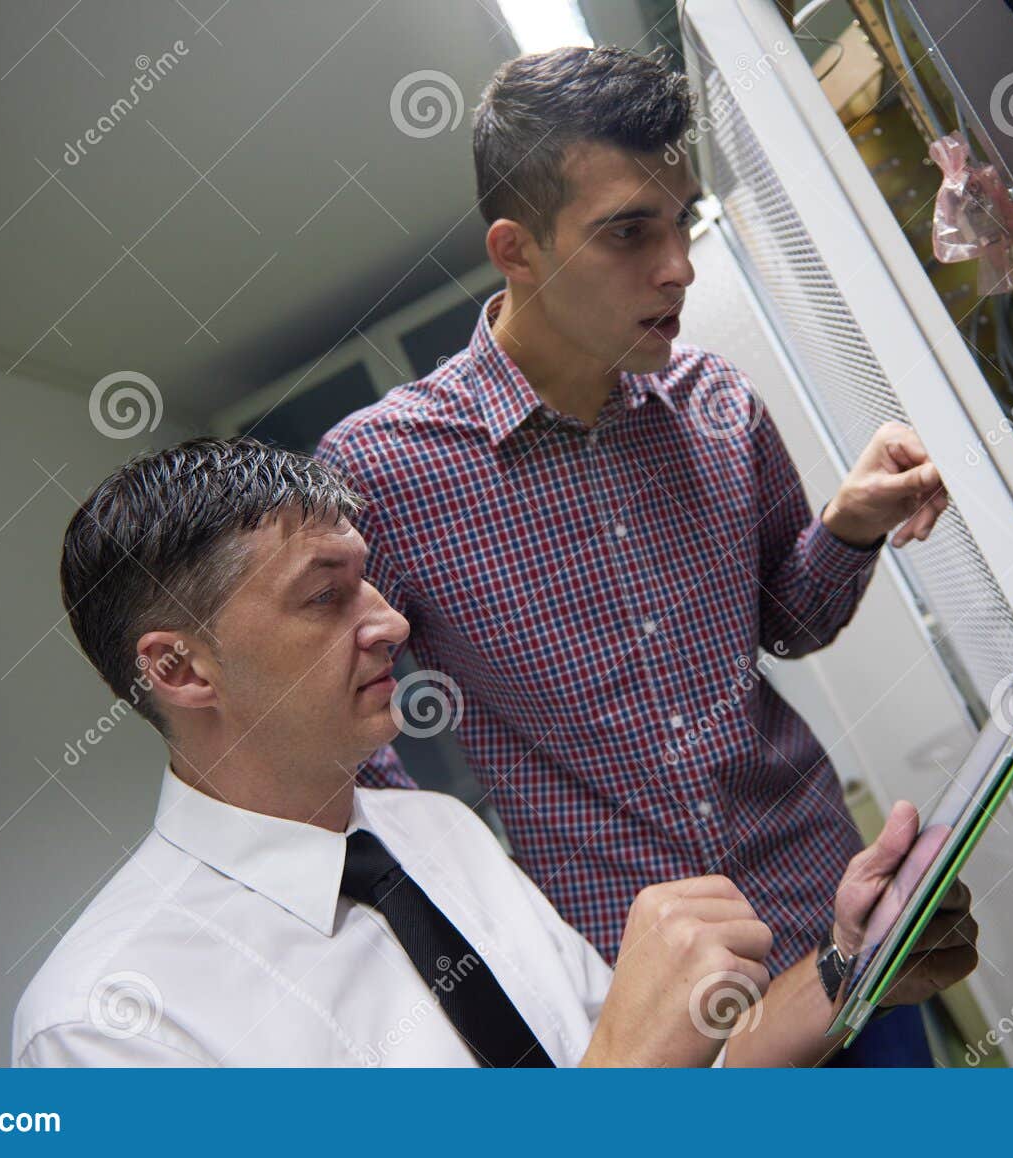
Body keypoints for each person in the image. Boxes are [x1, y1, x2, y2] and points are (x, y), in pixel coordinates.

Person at [316, 46, 950, 1064]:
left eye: (682, 221)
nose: (678, 266)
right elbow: (352, 738)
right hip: (643, 994)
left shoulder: (717, 403)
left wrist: (849, 527)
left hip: (835, 922)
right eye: (628, 232)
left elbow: (790, 623)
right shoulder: (380, 468)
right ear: (516, 248)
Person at [12, 437, 975, 1066]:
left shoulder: (436, 833)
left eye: (370, 582)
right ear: (181, 668)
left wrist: (854, 962)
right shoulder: (107, 1022)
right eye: (324, 595)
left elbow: (686, 1072)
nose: (389, 621)